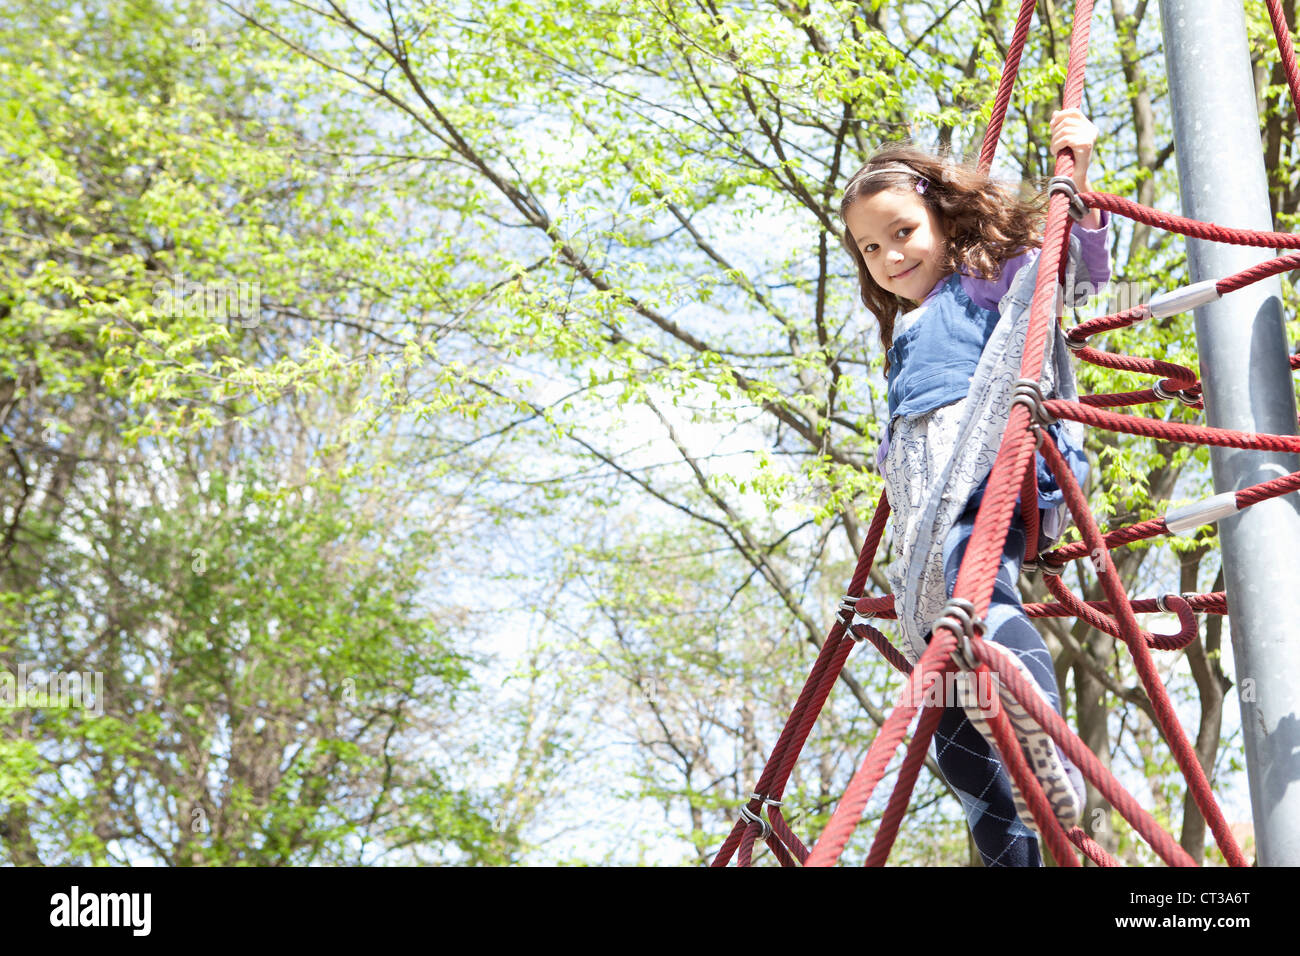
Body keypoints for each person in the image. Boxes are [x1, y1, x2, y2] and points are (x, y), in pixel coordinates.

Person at [839, 110, 1108, 866]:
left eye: (901, 231)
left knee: (977, 598)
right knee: (953, 732)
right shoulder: (907, 328)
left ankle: (1043, 734)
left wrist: (1076, 183)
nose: (888, 256)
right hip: (930, 507)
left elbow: (1067, 274)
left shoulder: (982, 277)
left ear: (942, 218)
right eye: (870, 247)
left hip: (991, 465)